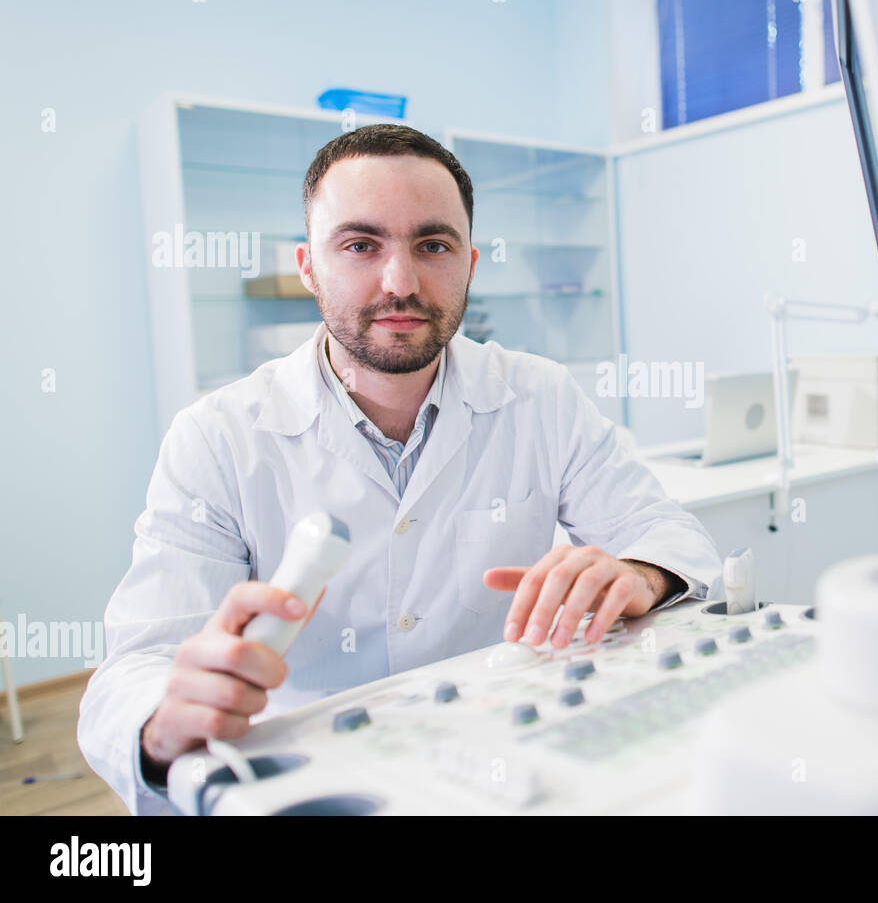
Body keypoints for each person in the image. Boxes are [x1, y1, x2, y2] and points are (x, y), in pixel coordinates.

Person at [78, 124, 722, 815]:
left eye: (433, 245)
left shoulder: (541, 395)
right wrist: (169, 714)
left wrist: (638, 573)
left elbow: (667, 532)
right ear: (307, 266)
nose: (401, 282)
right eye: (361, 245)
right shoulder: (216, 437)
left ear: (470, 262)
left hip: (504, 765)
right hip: (312, 779)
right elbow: (134, 670)